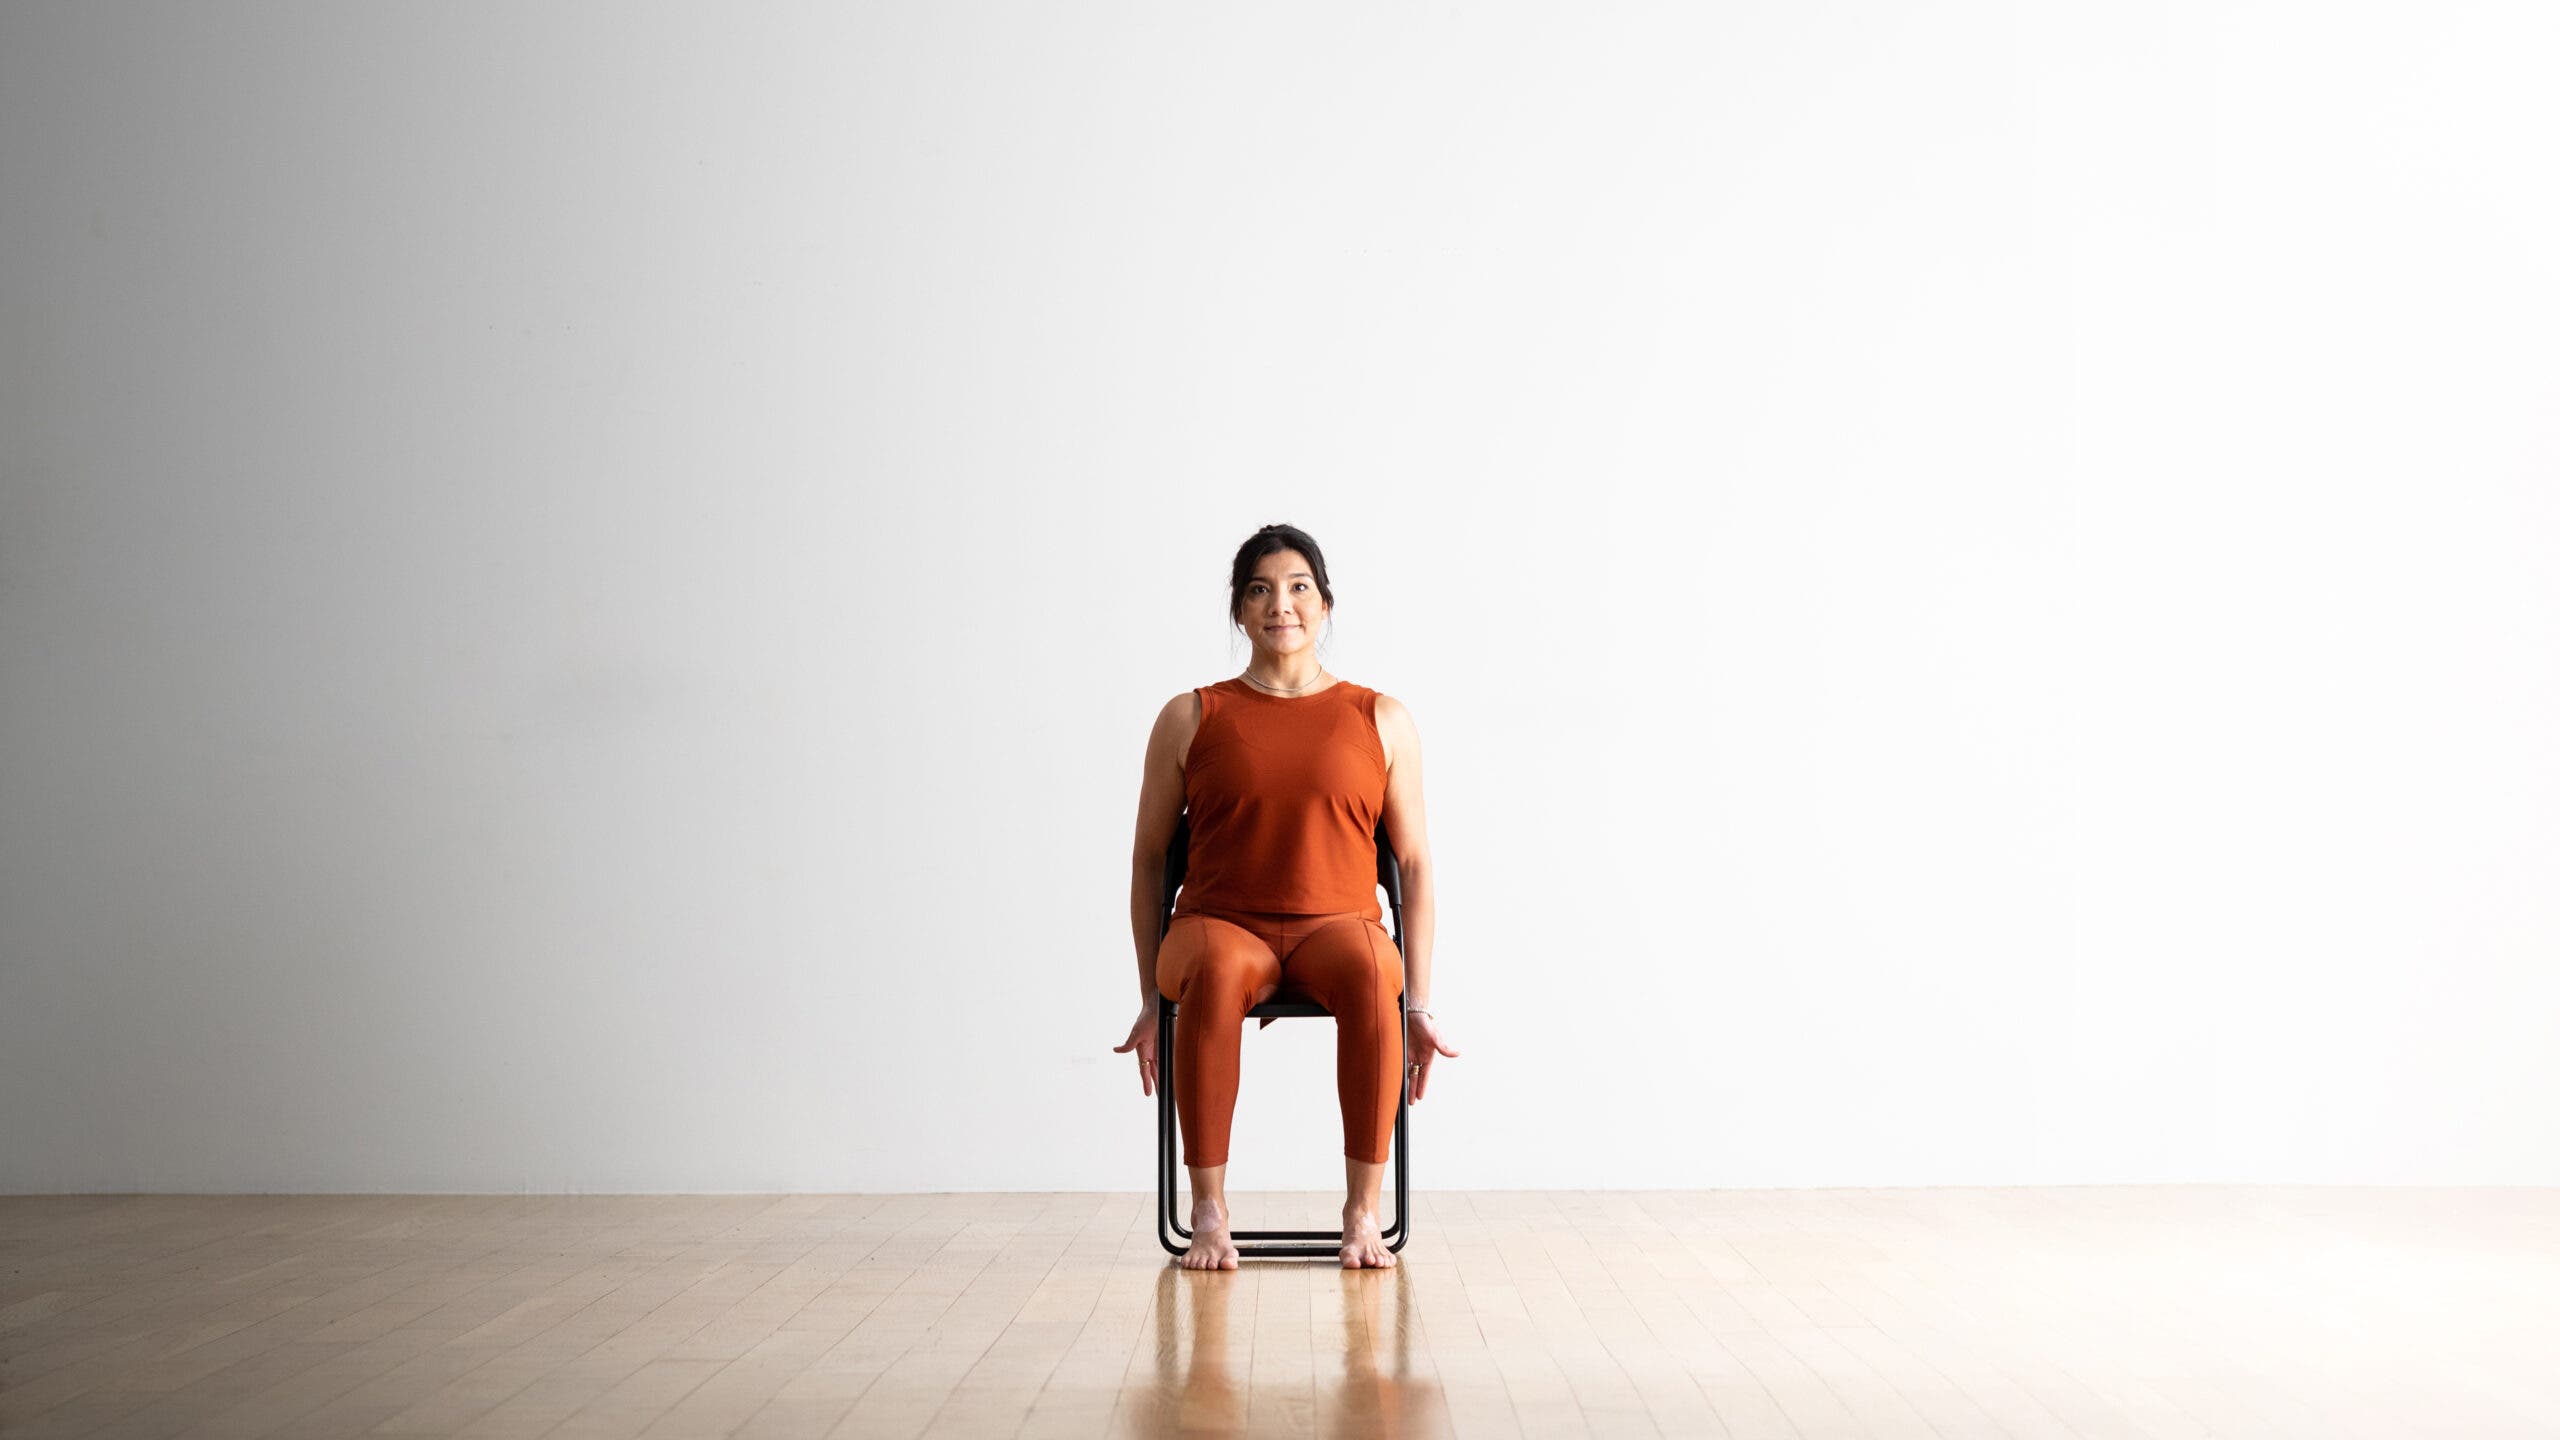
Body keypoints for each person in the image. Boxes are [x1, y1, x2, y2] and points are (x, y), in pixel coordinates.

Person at [1115, 524, 1461, 1271]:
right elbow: (1148, 859)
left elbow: (1415, 864)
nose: (1282, 605)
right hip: (1217, 922)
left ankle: (1362, 1214)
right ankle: (1209, 1214)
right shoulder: (1191, 715)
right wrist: (1150, 993)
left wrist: (1420, 1006)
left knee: (1376, 972)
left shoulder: (1381, 717)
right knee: (1212, 968)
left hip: (1338, 927)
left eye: (1299, 586)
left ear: (1326, 604)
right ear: (1239, 612)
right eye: (1260, 590)